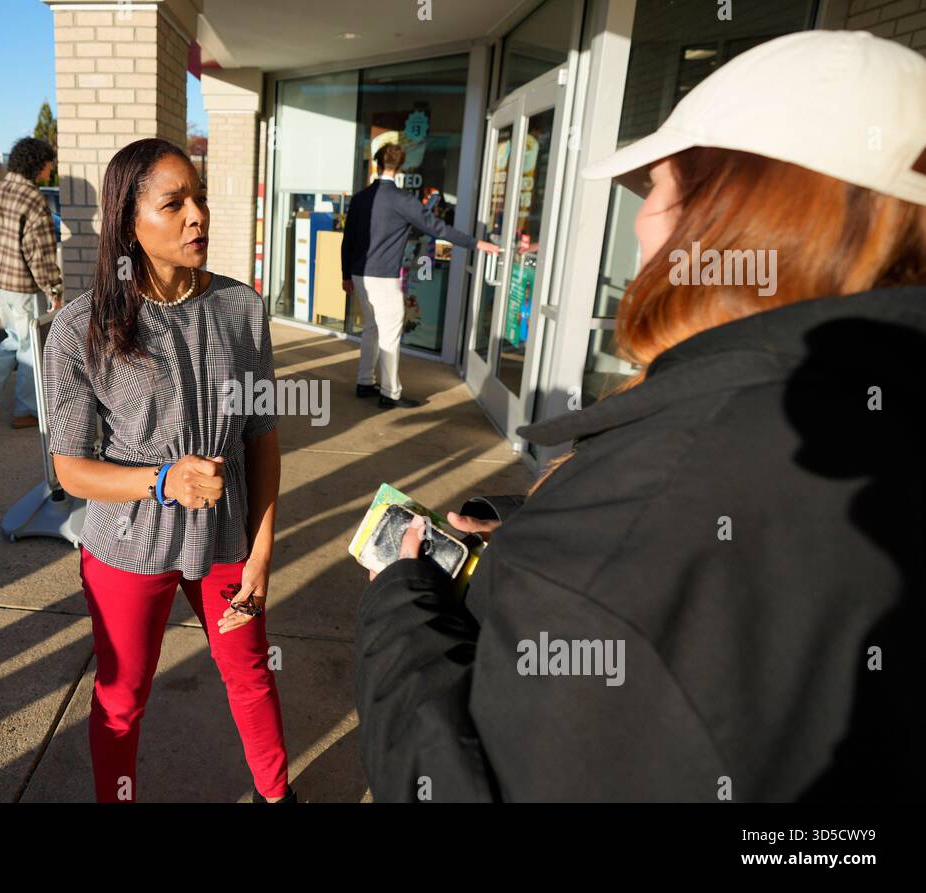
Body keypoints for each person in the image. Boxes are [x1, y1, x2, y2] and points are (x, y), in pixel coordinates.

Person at [354, 30, 926, 802]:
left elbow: (461, 781)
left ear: (747, 215)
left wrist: (401, 596)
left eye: (657, 189)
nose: (640, 225)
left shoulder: (657, 497)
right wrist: (534, 524)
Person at [41, 138, 293, 804]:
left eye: (200, 199)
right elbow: (69, 469)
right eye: (175, 203)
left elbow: (263, 436)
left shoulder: (243, 309)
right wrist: (160, 480)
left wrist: (263, 549)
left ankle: (277, 796)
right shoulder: (79, 327)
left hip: (228, 539)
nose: (197, 217)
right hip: (128, 544)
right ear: (129, 220)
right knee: (122, 696)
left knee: (250, 673)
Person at [340, 143, 497, 409]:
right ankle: (390, 393)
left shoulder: (360, 198)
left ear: (378, 165)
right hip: (383, 278)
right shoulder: (403, 200)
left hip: (359, 274)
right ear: (399, 168)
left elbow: (348, 240)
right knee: (389, 334)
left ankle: (364, 382)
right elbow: (438, 229)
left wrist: (345, 275)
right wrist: (476, 244)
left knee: (371, 328)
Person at [0, 136, 64, 429]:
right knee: (31, 346)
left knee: (15, 339)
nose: (49, 170)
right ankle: (25, 411)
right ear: (37, 164)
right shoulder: (32, 197)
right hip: (22, 284)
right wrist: (54, 289)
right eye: (48, 164)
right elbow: (39, 251)